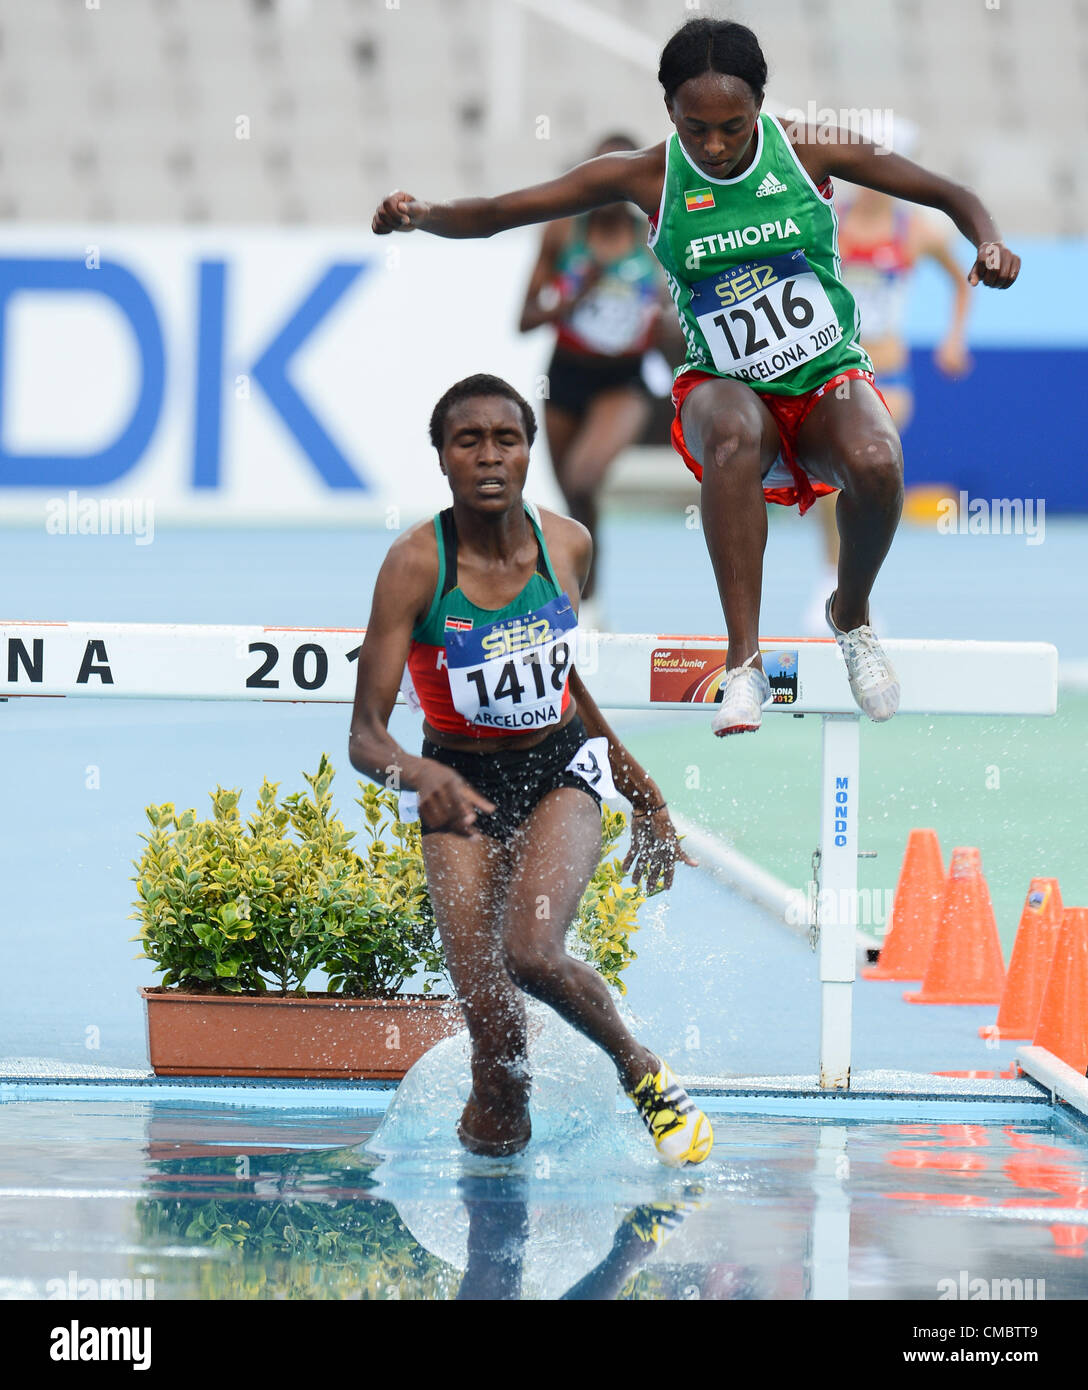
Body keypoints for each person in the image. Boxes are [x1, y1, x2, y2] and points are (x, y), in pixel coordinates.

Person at [371, 17, 1019, 737]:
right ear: (670, 114)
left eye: (733, 128)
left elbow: (948, 192)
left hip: (825, 374)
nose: (712, 146)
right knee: (736, 432)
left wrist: (988, 241)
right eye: (694, 127)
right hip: (721, 384)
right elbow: (500, 213)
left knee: (878, 460)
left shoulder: (808, 148)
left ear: (760, 110)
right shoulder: (648, 173)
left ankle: (851, 615)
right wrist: (421, 215)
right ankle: (745, 666)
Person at [347, 372, 712, 1167]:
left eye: (505, 439)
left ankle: (643, 1074)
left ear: (528, 451)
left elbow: (563, 682)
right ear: (441, 457)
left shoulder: (568, 544)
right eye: (467, 441)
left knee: (533, 954)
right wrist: (417, 773)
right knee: (497, 1049)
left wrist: (643, 795)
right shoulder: (415, 564)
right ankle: (493, 1229)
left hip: (558, 772)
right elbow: (365, 737)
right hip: (456, 787)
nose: (488, 456)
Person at [803, 123, 973, 632]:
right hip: (834, 365)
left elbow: (961, 284)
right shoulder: (829, 219)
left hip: (890, 372)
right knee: (832, 483)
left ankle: (855, 587)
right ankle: (829, 582)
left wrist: (954, 339)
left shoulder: (918, 231)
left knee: (866, 469)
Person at [518, 133, 674, 625]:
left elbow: (675, 317)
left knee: (585, 475)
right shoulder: (565, 233)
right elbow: (523, 319)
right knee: (572, 493)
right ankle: (589, 592)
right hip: (564, 375)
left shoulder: (655, 241)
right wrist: (572, 299)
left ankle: (589, 596)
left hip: (623, 381)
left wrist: (663, 324)